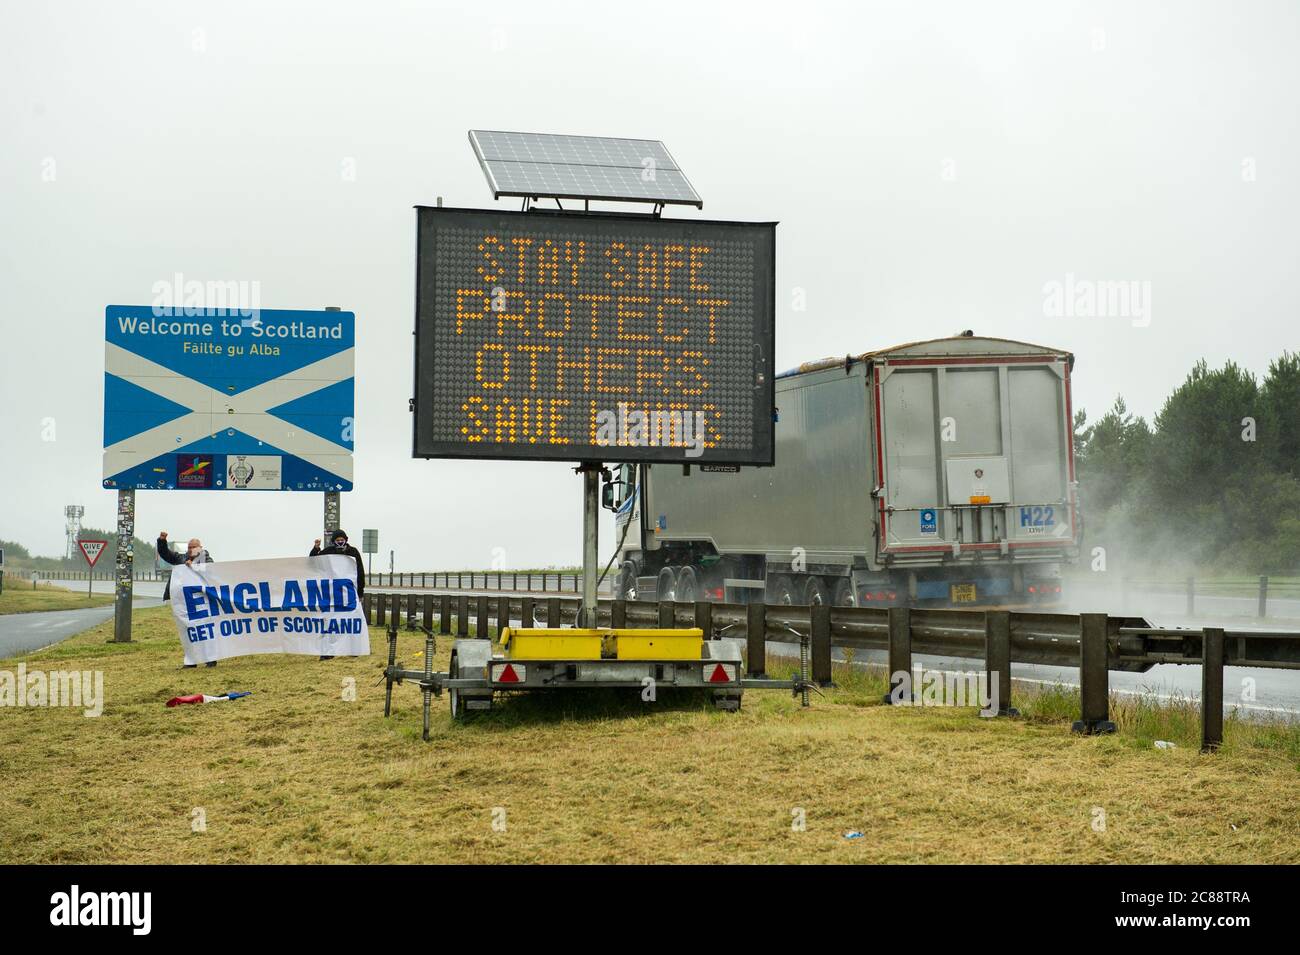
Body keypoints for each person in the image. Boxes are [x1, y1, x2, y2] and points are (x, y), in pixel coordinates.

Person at [157, 531, 215, 669]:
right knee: (187, 632)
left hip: (202, 603)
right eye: (189, 547)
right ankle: (191, 661)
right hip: (184, 604)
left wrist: (194, 566)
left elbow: (211, 572)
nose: (191, 550)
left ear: (200, 547)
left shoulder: (207, 559)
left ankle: (211, 659)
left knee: (205, 631)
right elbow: (166, 554)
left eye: (194, 547)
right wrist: (162, 541)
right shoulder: (181, 559)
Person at [310, 530, 365, 660]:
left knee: (350, 622)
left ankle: (353, 649)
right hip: (332, 594)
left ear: (346, 539)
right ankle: (328, 652)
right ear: (334, 541)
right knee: (330, 622)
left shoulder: (353, 552)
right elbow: (313, 561)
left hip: (349, 594)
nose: (340, 541)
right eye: (337, 539)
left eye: (342, 539)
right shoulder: (328, 551)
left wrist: (360, 592)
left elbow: (360, 571)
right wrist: (316, 548)